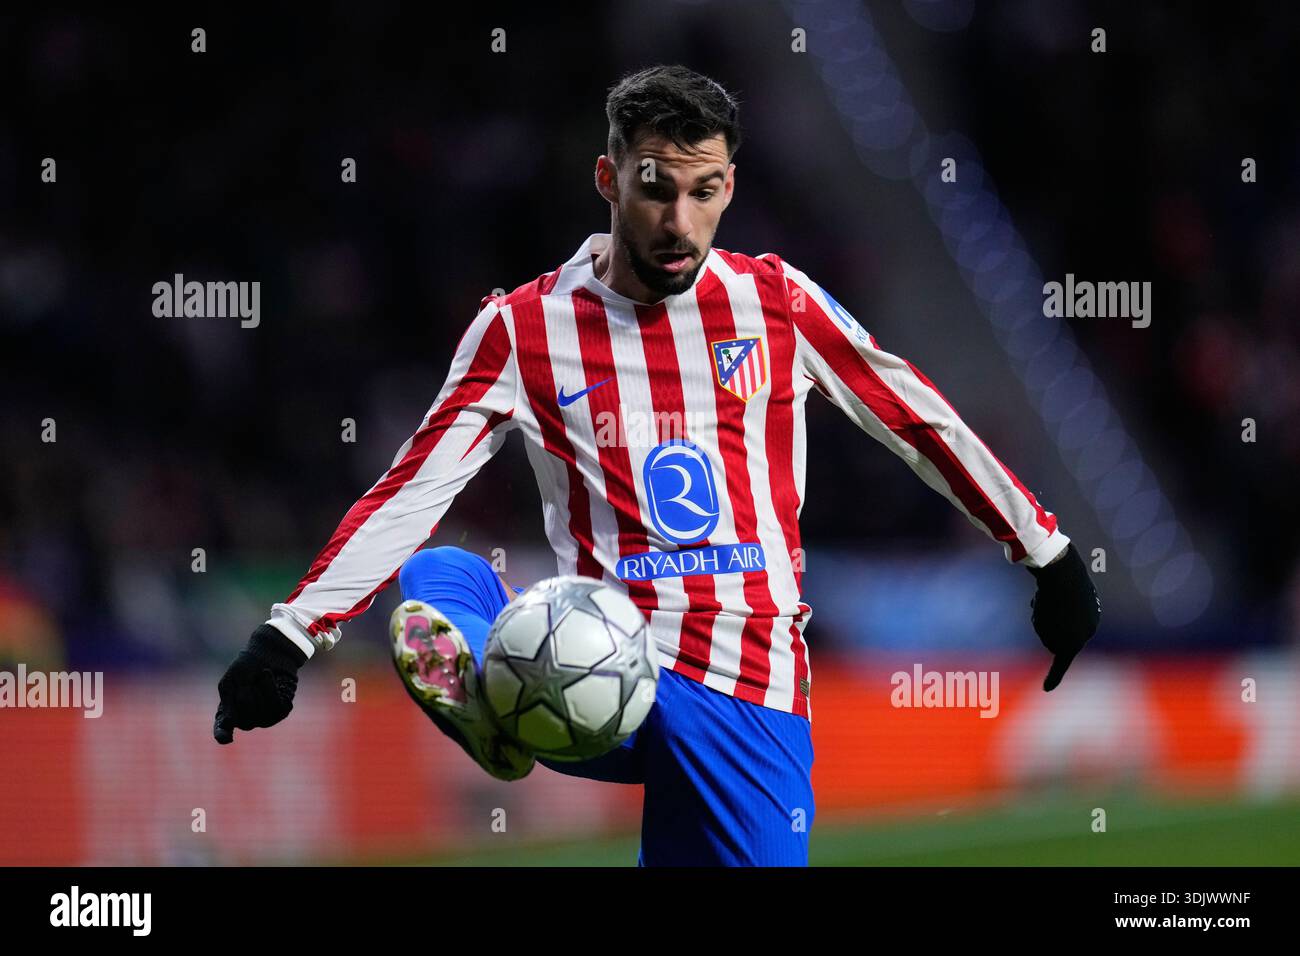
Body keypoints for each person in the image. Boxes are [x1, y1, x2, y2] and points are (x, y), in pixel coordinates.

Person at [213, 64, 1100, 866]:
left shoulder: (774, 302)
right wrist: (291, 634)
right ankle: (495, 692)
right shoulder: (524, 329)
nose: (680, 223)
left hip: (745, 687)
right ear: (609, 180)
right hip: (598, 675)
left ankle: (494, 701)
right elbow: (413, 488)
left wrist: (1046, 552)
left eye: (704, 192)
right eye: (655, 189)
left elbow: (913, 412)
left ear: (729, 187)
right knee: (439, 571)